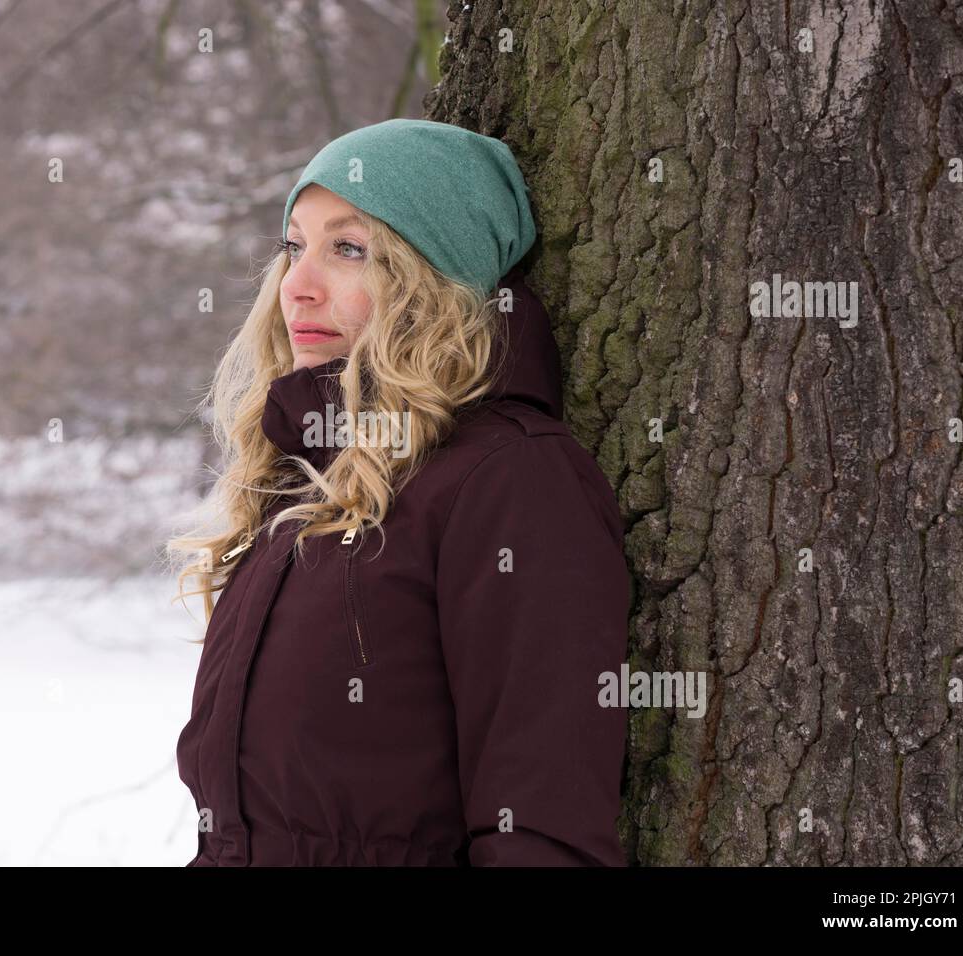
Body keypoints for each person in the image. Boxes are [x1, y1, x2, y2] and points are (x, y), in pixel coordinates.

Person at [167, 118, 631, 866]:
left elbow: (541, 833)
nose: (298, 284)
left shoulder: (510, 480)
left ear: (433, 278)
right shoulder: (305, 479)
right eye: (296, 246)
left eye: (349, 249)